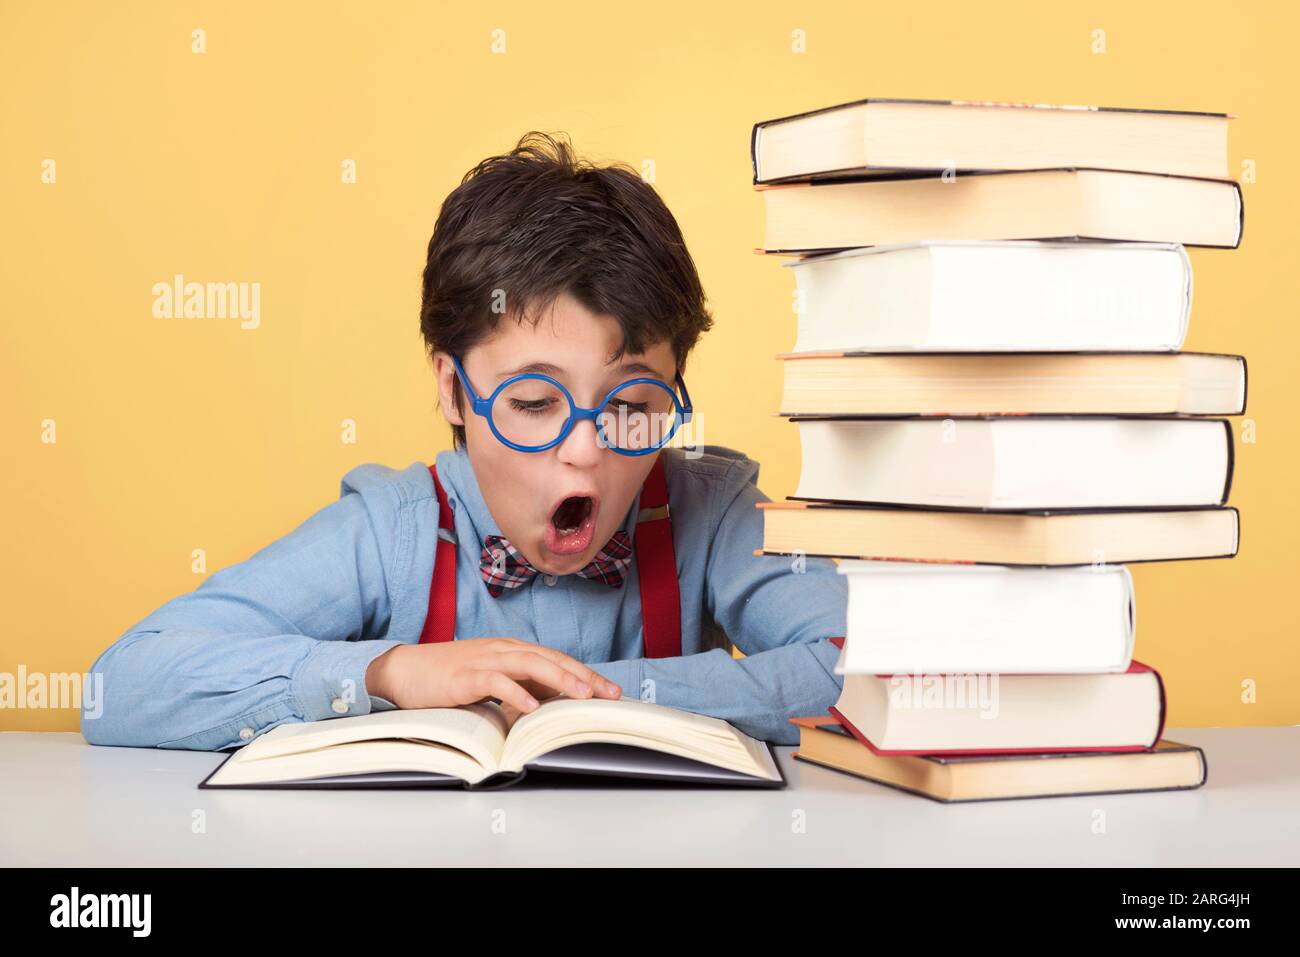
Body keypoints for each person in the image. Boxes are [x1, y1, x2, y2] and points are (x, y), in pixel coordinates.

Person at [80, 132, 847, 751]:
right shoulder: (397, 527)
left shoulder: (712, 511)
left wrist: (596, 697)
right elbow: (125, 682)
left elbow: (866, 671)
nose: (585, 450)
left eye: (637, 402)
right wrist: (386, 670)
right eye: (535, 401)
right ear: (452, 389)